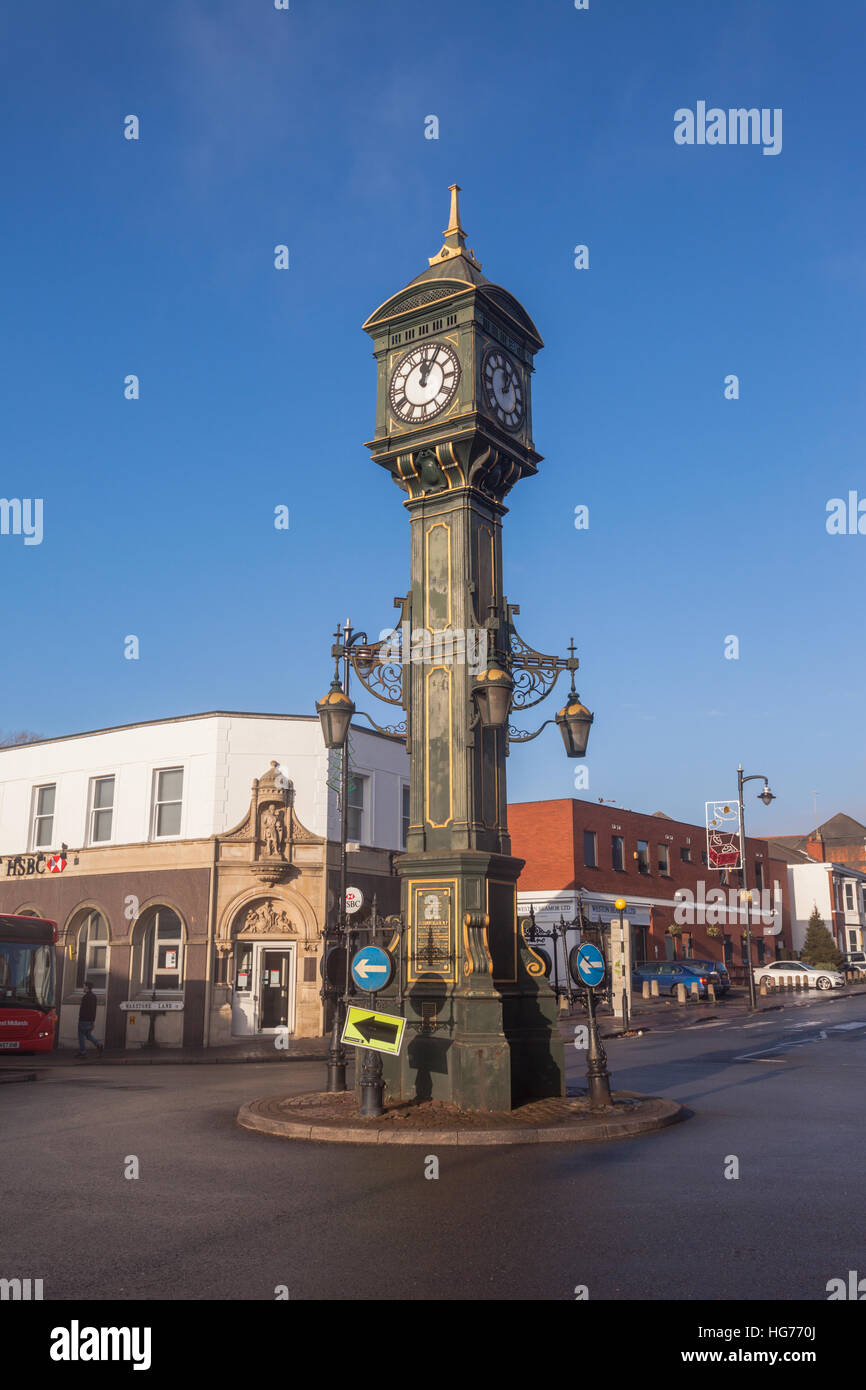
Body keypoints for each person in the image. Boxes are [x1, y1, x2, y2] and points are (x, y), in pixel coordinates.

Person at [76, 981, 103, 1058]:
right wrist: (93, 1021)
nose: (83, 988)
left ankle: (83, 1052)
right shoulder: (94, 996)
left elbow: (82, 1010)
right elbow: (94, 1009)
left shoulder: (85, 997)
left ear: (87, 987)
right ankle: (98, 1044)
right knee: (88, 1035)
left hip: (83, 1020)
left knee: (81, 1036)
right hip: (90, 1020)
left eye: (84, 986)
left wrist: (80, 1019)